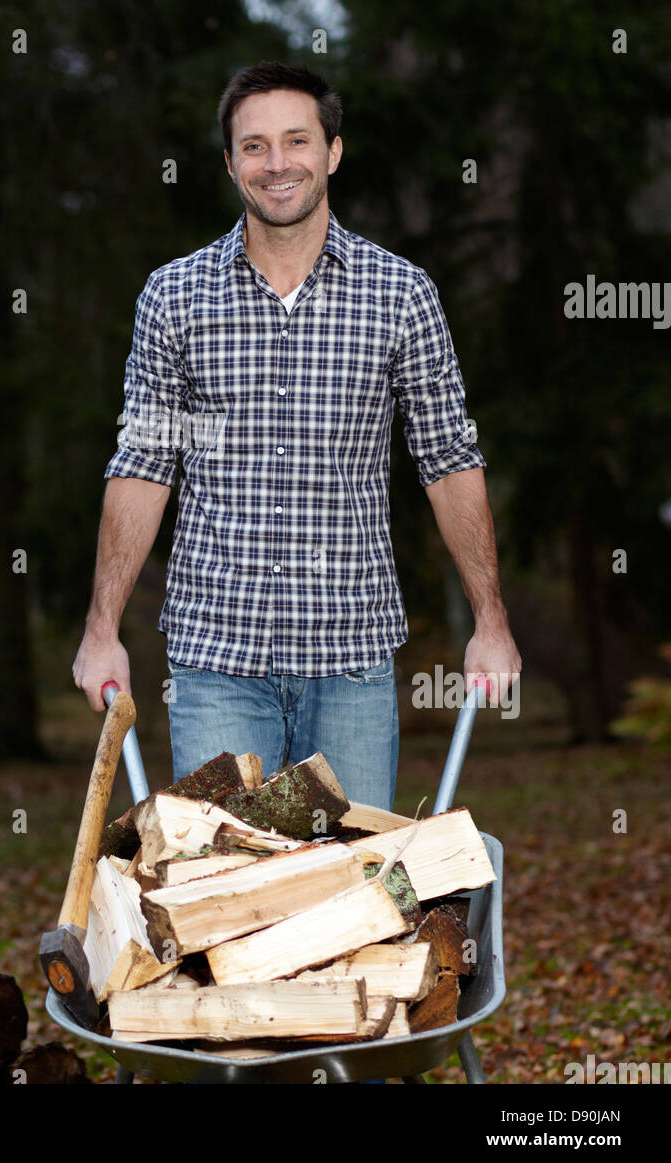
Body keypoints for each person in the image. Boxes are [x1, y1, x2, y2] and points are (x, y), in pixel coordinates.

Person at [73, 61, 521, 810]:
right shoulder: (173, 296)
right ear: (229, 163)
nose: (276, 164)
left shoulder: (401, 295)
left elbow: (446, 461)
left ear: (332, 152)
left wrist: (491, 622)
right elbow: (144, 465)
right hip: (215, 663)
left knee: (350, 908)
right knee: (220, 898)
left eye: (295, 141)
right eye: (254, 147)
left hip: (349, 664)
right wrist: (100, 630)